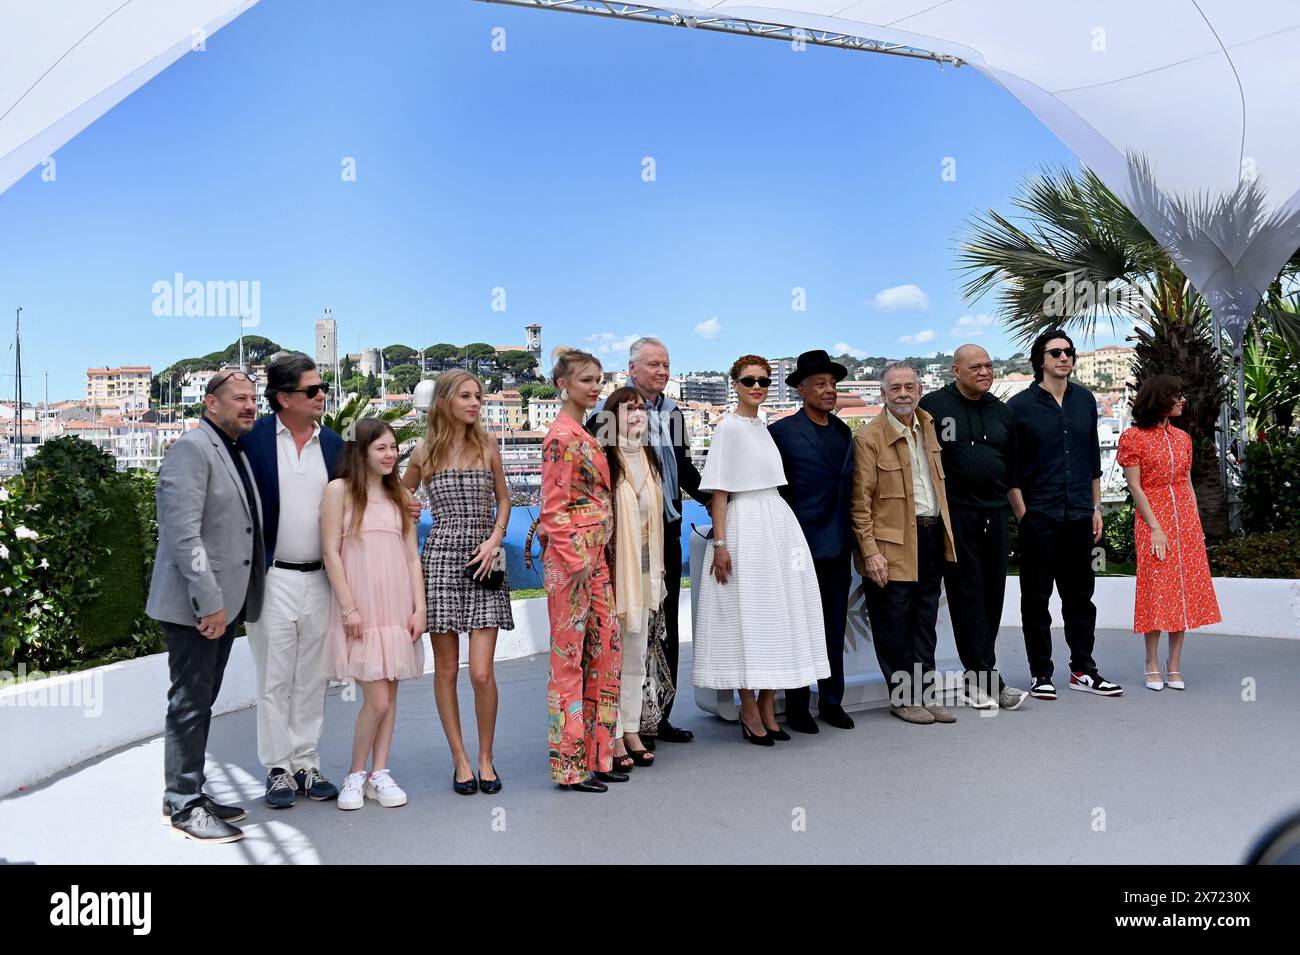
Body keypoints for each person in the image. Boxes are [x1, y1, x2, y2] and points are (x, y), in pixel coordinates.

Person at [147, 369, 266, 843]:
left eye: (254, 398)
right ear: (211, 404)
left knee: (201, 702)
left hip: (223, 604)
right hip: (197, 606)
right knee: (190, 703)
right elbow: (183, 533)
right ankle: (182, 805)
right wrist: (209, 602)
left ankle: (186, 791)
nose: (250, 405)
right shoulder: (192, 449)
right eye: (240, 398)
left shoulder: (230, 450)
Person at [694, 355, 830, 745]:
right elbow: (719, 490)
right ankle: (749, 705)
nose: (757, 387)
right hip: (746, 523)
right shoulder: (729, 429)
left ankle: (770, 704)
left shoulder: (762, 427)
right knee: (747, 614)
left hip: (778, 523)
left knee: (777, 613)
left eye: (764, 381)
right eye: (749, 380)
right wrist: (720, 544)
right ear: (734, 383)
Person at [401, 369, 513, 795]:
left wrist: (496, 537)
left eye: (479, 397)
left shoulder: (488, 444)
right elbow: (398, 494)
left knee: (482, 673)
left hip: (489, 553)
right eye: (466, 396)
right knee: (446, 669)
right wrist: (407, 507)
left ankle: (486, 757)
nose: (475, 403)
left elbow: (503, 499)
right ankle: (460, 760)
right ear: (446, 400)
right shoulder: (424, 451)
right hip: (443, 556)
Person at [241, 353, 343, 808]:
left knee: (312, 678)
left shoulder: (335, 445)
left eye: (321, 388)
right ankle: (278, 768)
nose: (322, 396)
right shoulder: (254, 440)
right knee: (274, 678)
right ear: (283, 398)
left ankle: (307, 762)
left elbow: (361, 498)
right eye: (312, 390)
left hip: (322, 578)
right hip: (272, 576)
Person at [1008, 329, 1123, 699]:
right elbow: (1012, 471)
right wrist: (1024, 515)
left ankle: (1083, 670)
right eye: (1055, 352)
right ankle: (1040, 673)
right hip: (1039, 516)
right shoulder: (1019, 407)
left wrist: (1096, 507)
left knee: (1079, 598)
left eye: (1069, 352)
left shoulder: (1085, 401)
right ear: (1040, 359)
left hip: (1078, 515)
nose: (1064, 358)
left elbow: (1092, 459)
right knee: (1036, 600)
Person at [321, 419, 426, 811]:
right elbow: (331, 552)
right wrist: (348, 606)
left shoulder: (400, 494)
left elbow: (411, 556)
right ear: (361, 450)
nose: (390, 454)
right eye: (381, 447)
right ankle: (355, 773)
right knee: (377, 700)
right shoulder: (339, 491)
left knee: (391, 693)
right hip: (361, 608)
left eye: (393, 447)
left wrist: (420, 607)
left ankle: (379, 773)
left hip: (398, 606)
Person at [918, 345, 1029, 711]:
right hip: (955, 516)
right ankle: (983, 677)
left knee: (992, 596)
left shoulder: (1002, 412)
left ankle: (977, 675)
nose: (984, 371)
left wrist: (1021, 517)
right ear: (955, 370)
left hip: (995, 515)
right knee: (967, 596)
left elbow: (1013, 470)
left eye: (988, 365)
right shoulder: (933, 406)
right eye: (975, 366)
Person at [851, 362, 958, 725]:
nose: (903, 394)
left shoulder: (928, 427)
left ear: (919, 390)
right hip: (890, 544)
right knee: (893, 623)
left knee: (925, 621)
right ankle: (902, 699)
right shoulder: (868, 438)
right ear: (882, 394)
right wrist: (870, 552)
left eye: (909, 387)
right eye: (895, 388)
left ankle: (925, 694)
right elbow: (860, 504)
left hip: (929, 535)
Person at [539, 346, 624, 792]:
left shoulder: (582, 432)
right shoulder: (560, 437)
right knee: (569, 662)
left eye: (598, 380)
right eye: (587, 380)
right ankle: (570, 767)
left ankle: (600, 755)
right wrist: (576, 563)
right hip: (572, 565)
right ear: (563, 385)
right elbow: (551, 510)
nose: (595, 388)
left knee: (606, 654)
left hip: (596, 563)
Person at [620, 337, 709, 746]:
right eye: (652, 364)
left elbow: (685, 469)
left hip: (668, 531)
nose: (661, 371)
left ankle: (661, 714)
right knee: (636, 625)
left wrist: (716, 497)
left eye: (666, 364)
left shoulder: (672, 412)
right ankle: (630, 721)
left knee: (667, 624)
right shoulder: (616, 412)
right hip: (632, 538)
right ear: (632, 368)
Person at [768, 349, 856, 732]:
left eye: (833, 384)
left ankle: (831, 702)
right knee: (797, 626)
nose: (829, 390)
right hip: (796, 544)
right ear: (801, 390)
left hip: (838, 542)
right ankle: (798, 706)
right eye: (820, 384)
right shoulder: (781, 432)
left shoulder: (842, 431)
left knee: (834, 625)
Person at [1118, 374, 1221, 690]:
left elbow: (1187, 484)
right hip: (1154, 519)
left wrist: (1196, 525)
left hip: (1186, 523)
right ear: (1159, 399)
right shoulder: (1133, 438)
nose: (1182, 400)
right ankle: (1151, 661)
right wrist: (1155, 528)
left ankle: (1174, 664)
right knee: (1156, 587)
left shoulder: (1182, 438)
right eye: (1176, 395)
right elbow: (1135, 486)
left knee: (1184, 589)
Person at [593, 386, 667, 771]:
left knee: (637, 655)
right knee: (612, 658)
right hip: (614, 574)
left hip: (645, 570)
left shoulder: (650, 457)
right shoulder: (606, 458)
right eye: (628, 408)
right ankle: (613, 734)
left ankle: (632, 728)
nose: (637, 413)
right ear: (611, 416)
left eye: (641, 407)